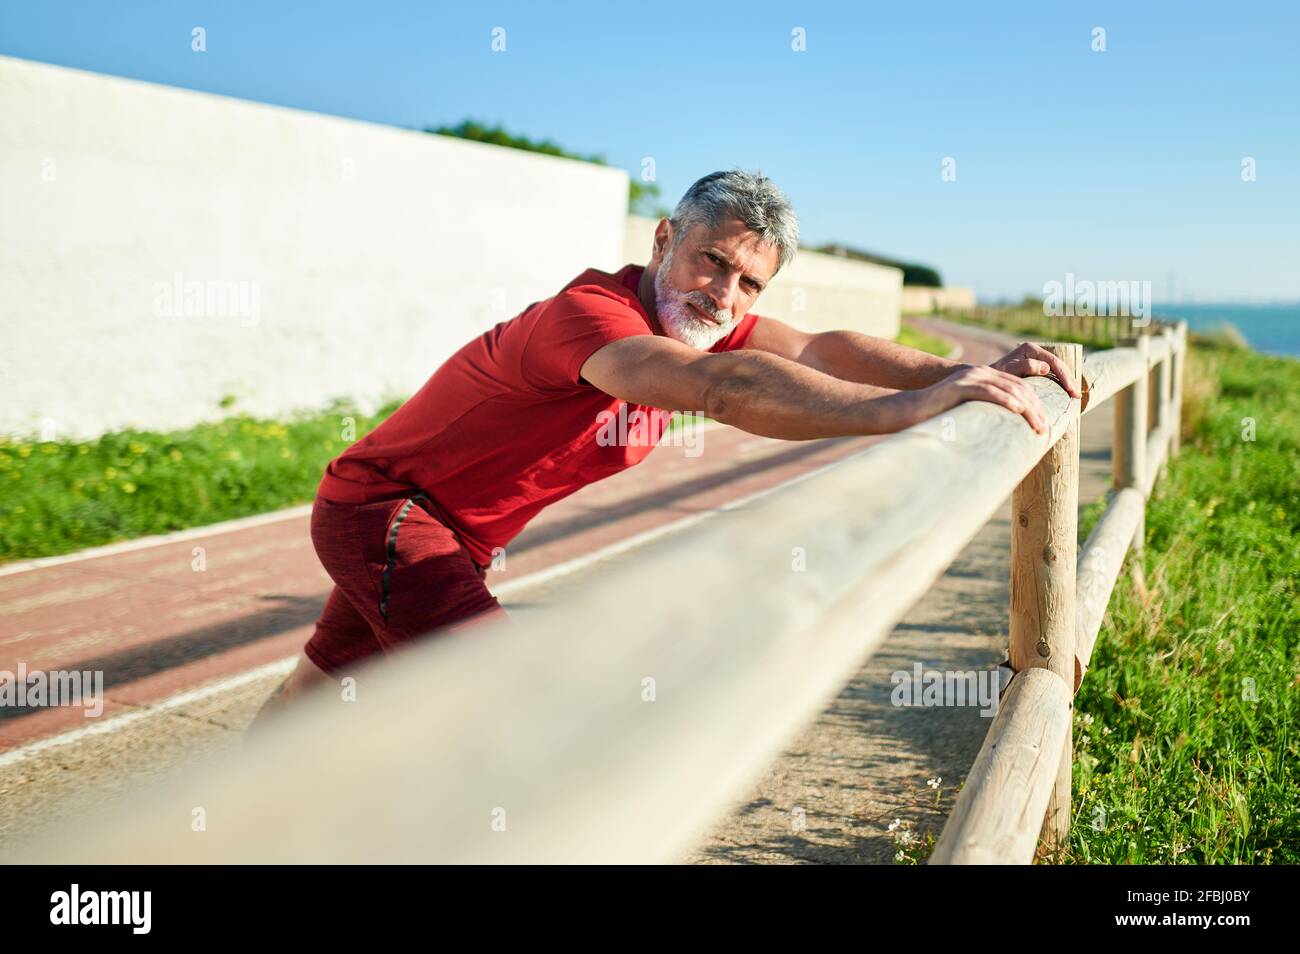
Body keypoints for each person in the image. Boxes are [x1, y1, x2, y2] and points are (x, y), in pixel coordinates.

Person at [247, 168, 1078, 731]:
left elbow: (821, 350)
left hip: (454, 536)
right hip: (388, 514)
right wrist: (908, 409)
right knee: (508, 711)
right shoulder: (596, 318)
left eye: (748, 282)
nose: (724, 293)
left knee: (317, 695)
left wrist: (961, 371)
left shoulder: (709, 324)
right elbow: (714, 389)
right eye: (711, 261)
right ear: (662, 240)